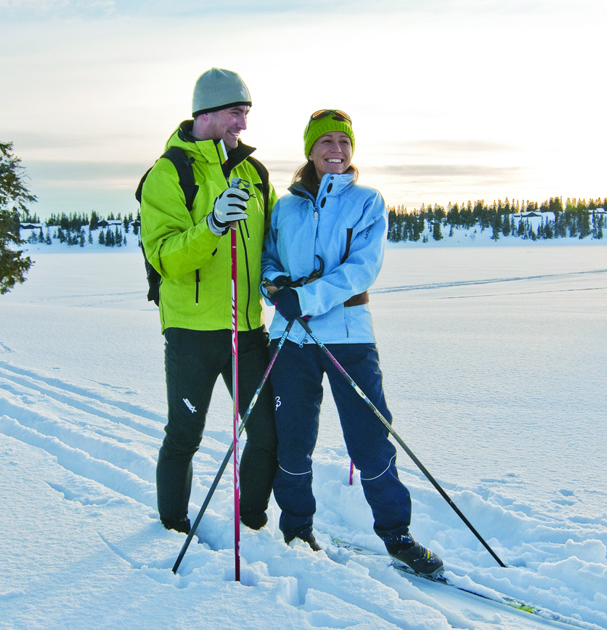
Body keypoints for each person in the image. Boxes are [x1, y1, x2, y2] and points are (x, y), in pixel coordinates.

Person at [261, 109, 444, 575]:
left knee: (370, 440)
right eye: (326, 142)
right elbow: (265, 261)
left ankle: (396, 536)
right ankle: (297, 527)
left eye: (344, 143)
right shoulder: (284, 207)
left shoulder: (367, 201)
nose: (336, 151)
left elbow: (362, 269)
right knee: (293, 441)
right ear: (310, 150)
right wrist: (275, 285)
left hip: (348, 336)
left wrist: (305, 296)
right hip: (290, 339)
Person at [139, 68, 278, 534]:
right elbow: (164, 258)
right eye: (237, 113)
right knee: (184, 435)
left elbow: (273, 244)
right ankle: (172, 525)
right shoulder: (169, 172)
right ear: (207, 112)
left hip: (248, 328)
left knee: (266, 433)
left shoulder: (254, 172)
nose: (243, 124)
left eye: (247, 113)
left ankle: (252, 522)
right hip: (192, 332)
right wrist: (213, 225)